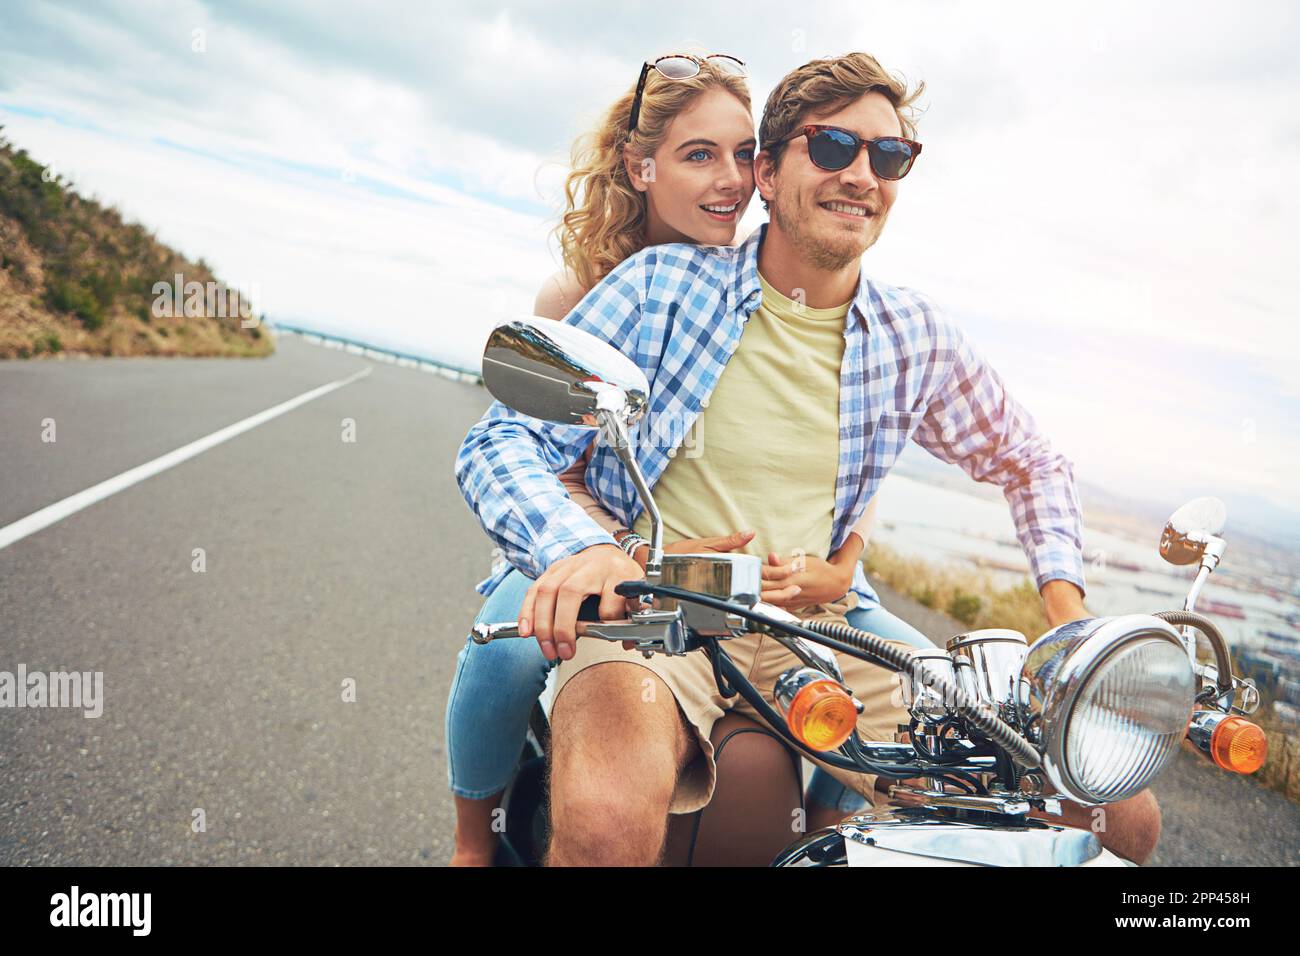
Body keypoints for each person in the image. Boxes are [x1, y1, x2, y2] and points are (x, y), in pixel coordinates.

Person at [457, 50, 1165, 866]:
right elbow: (502, 438)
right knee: (609, 821)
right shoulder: (659, 287)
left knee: (1115, 815)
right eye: (833, 147)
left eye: (888, 155)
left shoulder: (915, 338)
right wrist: (585, 551)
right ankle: (474, 840)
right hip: (657, 613)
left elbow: (1031, 459)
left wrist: (1068, 615)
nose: (861, 173)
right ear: (766, 171)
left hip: (822, 629)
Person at [445, 52, 925, 867]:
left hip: (756, 570)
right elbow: (553, 464)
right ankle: (472, 839)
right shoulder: (585, 294)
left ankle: (824, 831)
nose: (730, 180)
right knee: (514, 645)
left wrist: (844, 560)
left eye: (743, 156)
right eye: (699, 155)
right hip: (601, 536)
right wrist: (636, 554)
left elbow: (843, 439)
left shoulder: (763, 284)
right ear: (643, 166)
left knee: (913, 678)